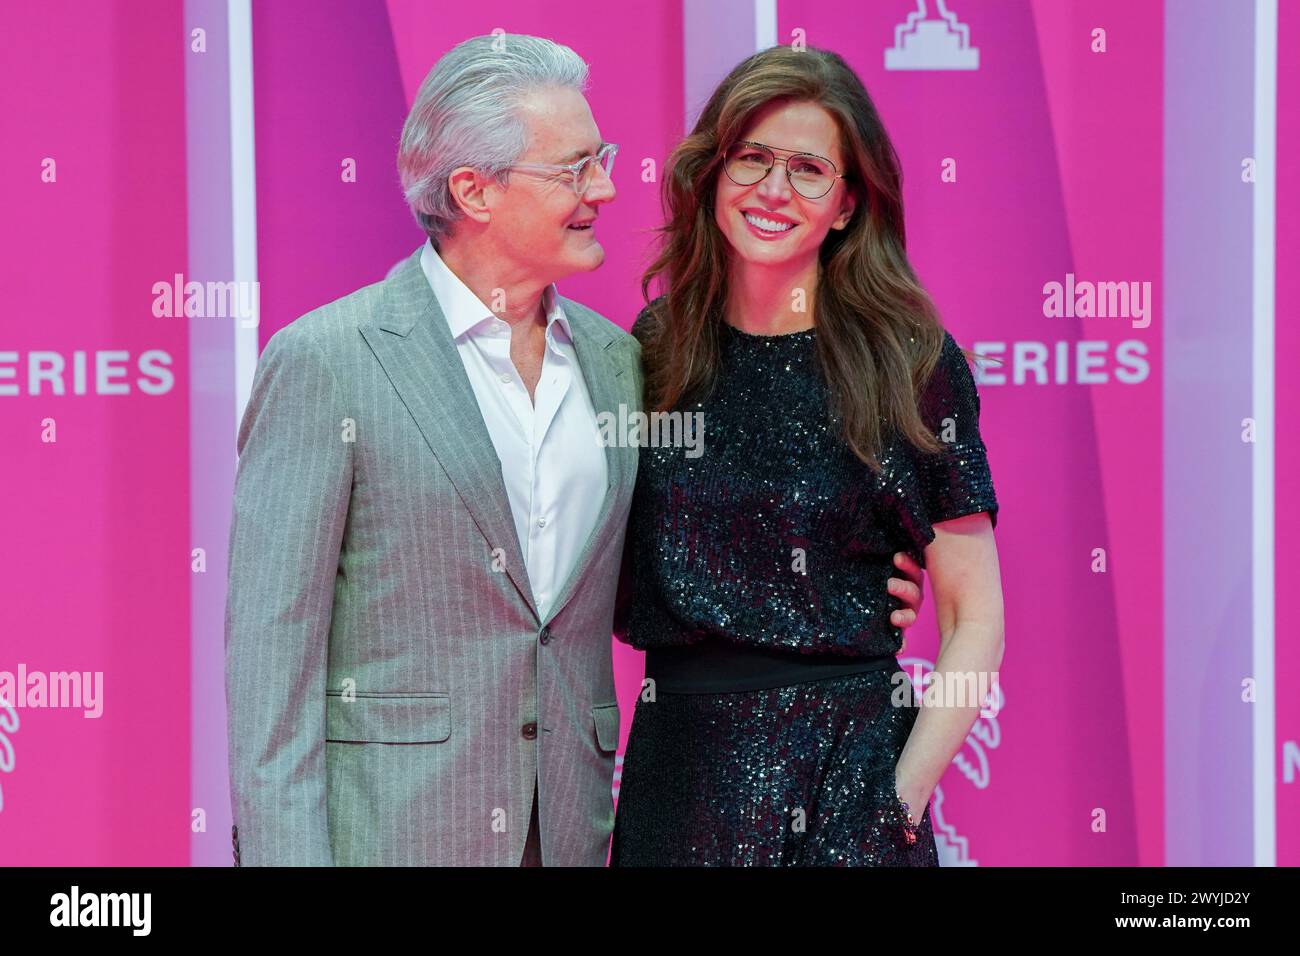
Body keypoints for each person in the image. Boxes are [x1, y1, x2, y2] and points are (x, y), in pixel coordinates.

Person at [224, 34, 638, 866]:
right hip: (395, 835)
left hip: (568, 833)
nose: (606, 186)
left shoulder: (616, 361)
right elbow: (273, 665)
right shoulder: (329, 360)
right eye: (573, 169)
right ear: (473, 190)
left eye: (603, 159)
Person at [610, 45, 1004, 866]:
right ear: (712, 175)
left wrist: (899, 802)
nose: (774, 191)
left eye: (808, 169)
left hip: (848, 778)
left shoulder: (910, 359)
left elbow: (977, 621)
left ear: (849, 203)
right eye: (751, 158)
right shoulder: (656, 350)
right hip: (676, 779)